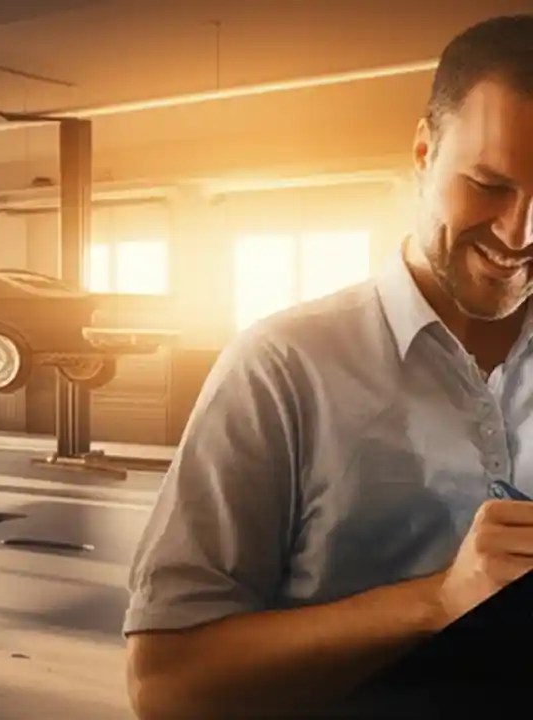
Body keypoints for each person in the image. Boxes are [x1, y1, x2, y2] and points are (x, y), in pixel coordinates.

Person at [123, 14, 533, 719]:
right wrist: (436, 601)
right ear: (422, 153)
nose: (521, 233)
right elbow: (165, 686)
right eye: (490, 185)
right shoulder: (280, 370)